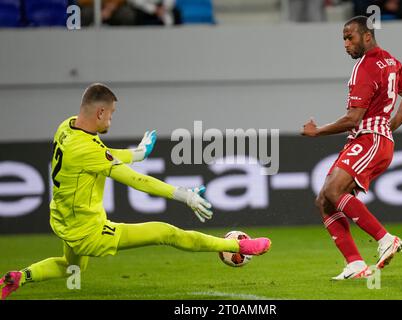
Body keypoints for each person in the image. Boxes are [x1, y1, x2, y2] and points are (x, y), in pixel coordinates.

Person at [0, 83, 271, 299]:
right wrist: (183, 194)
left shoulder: (67, 126)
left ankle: (17, 278)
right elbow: (136, 181)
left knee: (72, 268)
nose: (112, 119)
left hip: (62, 220)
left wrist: (138, 153)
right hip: (88, 231)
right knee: (167, 233)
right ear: (100, 113)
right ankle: (239, 245)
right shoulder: (86, 149)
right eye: (112, 113)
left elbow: (101, 154)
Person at [301, 16, 402, 280]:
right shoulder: (391, 60)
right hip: (374, 139)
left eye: (350, 37)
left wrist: (317, 130)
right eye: (343, 38)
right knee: (324, 200)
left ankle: (386, 238)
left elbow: (353, 118)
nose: (345, 44)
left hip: (369, 139)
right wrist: (389, 126)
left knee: (333, 190)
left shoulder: (364, 67)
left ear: (367, 36)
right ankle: (355, 264)